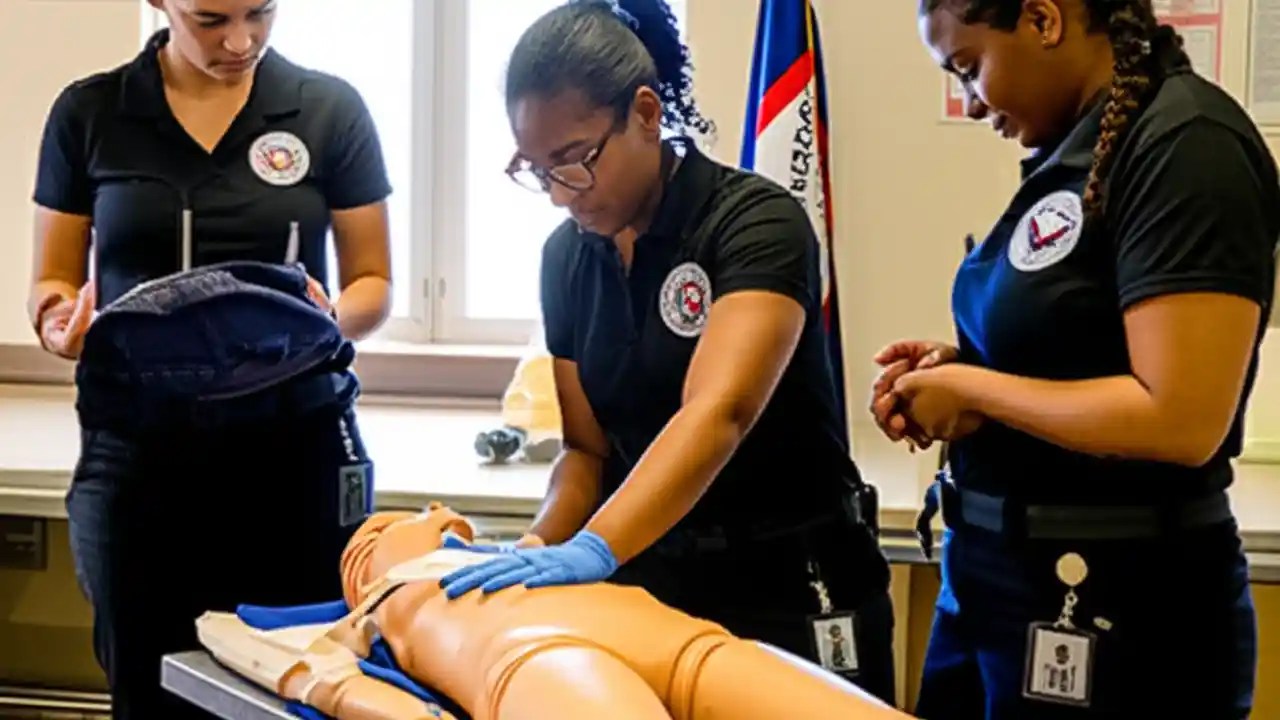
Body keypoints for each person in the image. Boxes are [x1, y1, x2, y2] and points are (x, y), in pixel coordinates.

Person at [438, 0, 896, 704]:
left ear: (646, 115)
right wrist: (535, 549)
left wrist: (594, 548)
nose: (561, 196)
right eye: (535, 170)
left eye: (574, 162)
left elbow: (718, 413)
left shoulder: (754, 222)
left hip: (791, 586)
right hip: (652, 586)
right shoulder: (568, 258)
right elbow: (586, 452)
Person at [872, 1, 1278, 717]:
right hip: (999, 580)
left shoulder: (1188, 143)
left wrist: (974, 387)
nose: (970, 104)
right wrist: (954, 373)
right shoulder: (1077, 152)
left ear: (1043, 20)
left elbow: (1178, 418)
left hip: (1121, 600)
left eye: (969, 69)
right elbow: (1073, 349)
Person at [27, 0, 393, 717]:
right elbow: (52, 283)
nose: (241, 39)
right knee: (148, 688)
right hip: (138, 452)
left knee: (292, 690)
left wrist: (331, 318)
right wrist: (57, 324)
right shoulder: (92, 113)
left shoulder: (328, 110)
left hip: (296, 452)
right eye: (211, 18)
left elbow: (373, 283)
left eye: (261, 12)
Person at [196, 503, 914, 720]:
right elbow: (312, 674)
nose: (432, 516)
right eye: (371, 537)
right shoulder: (371, 615)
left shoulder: (528, 554)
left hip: (678, 639)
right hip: (539, 658)